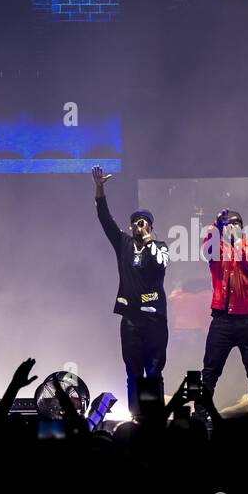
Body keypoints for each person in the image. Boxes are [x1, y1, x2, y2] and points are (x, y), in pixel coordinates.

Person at [93, 166, 170, 417]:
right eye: (137, 222)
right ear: (130, 226)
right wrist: (100, 188)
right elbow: (105, 220)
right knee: (132, 373)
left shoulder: (159, 246)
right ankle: (136, 416)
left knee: (154, 371)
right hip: (131, 321)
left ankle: (154, 417)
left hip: (154, 320)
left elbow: (161, 264)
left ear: (150, 226)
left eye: (145, 222)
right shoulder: (123, 244)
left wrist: (148, 241)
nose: (140, 225)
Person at [200, 208, 248, 408]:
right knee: (210, 371)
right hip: (222, 320)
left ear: (242, 228)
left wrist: (238, 243)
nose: (232, 227)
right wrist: (215, 224)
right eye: (228, 224)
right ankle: (201, 416)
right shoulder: (218, 250)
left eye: (235, 224)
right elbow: (205, 251)